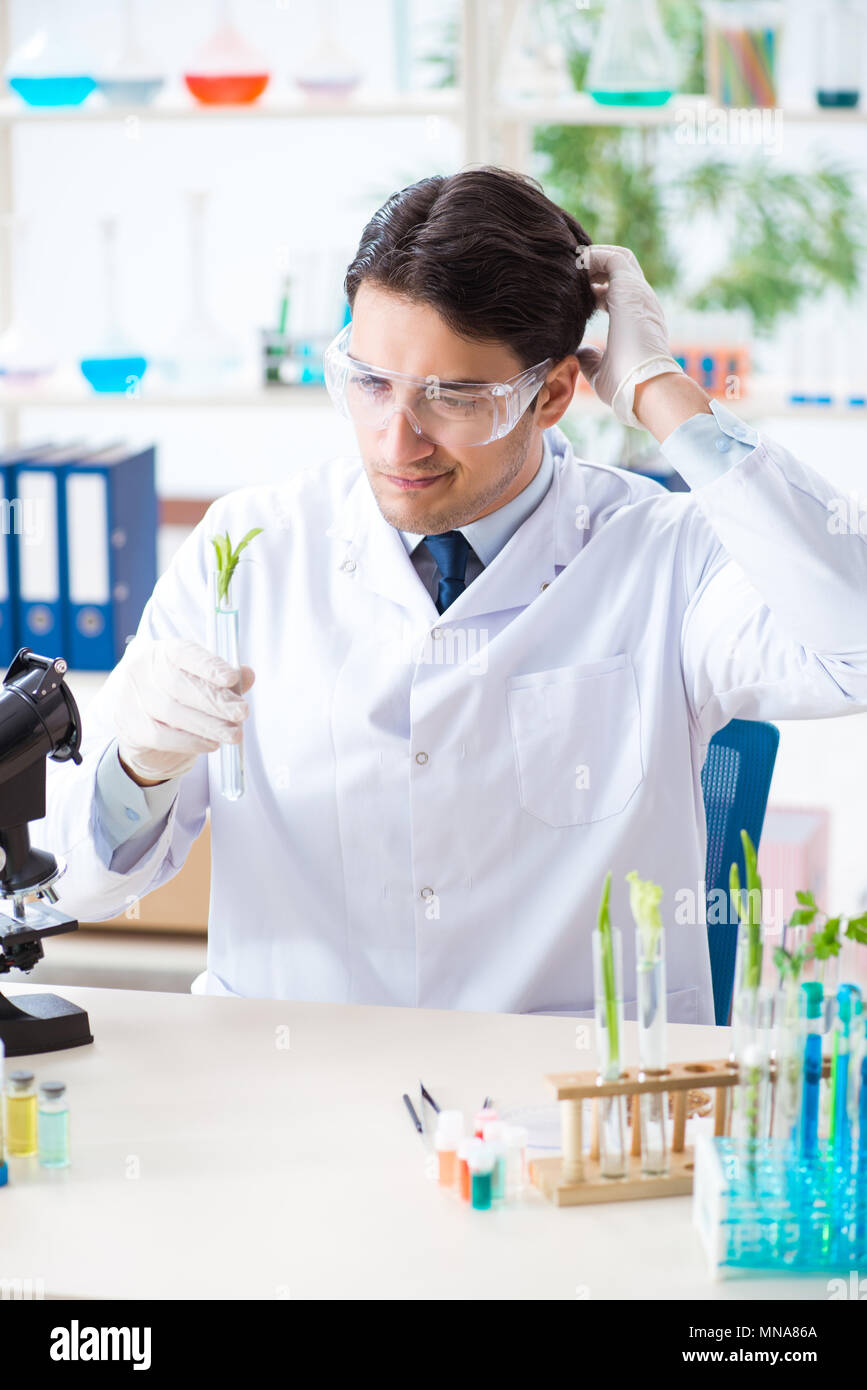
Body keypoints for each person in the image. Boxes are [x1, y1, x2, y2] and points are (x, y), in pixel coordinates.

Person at [37, 167, 867, 1020]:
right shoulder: (247, 552)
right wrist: (138, 765)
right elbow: (82, 888)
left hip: (567, 1109)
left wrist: (664, 395)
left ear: (548, 395)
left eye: (452, 397)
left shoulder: (664, 556)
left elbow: (854, 645)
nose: (398, 439)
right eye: (369, 383)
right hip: (291, 1086)